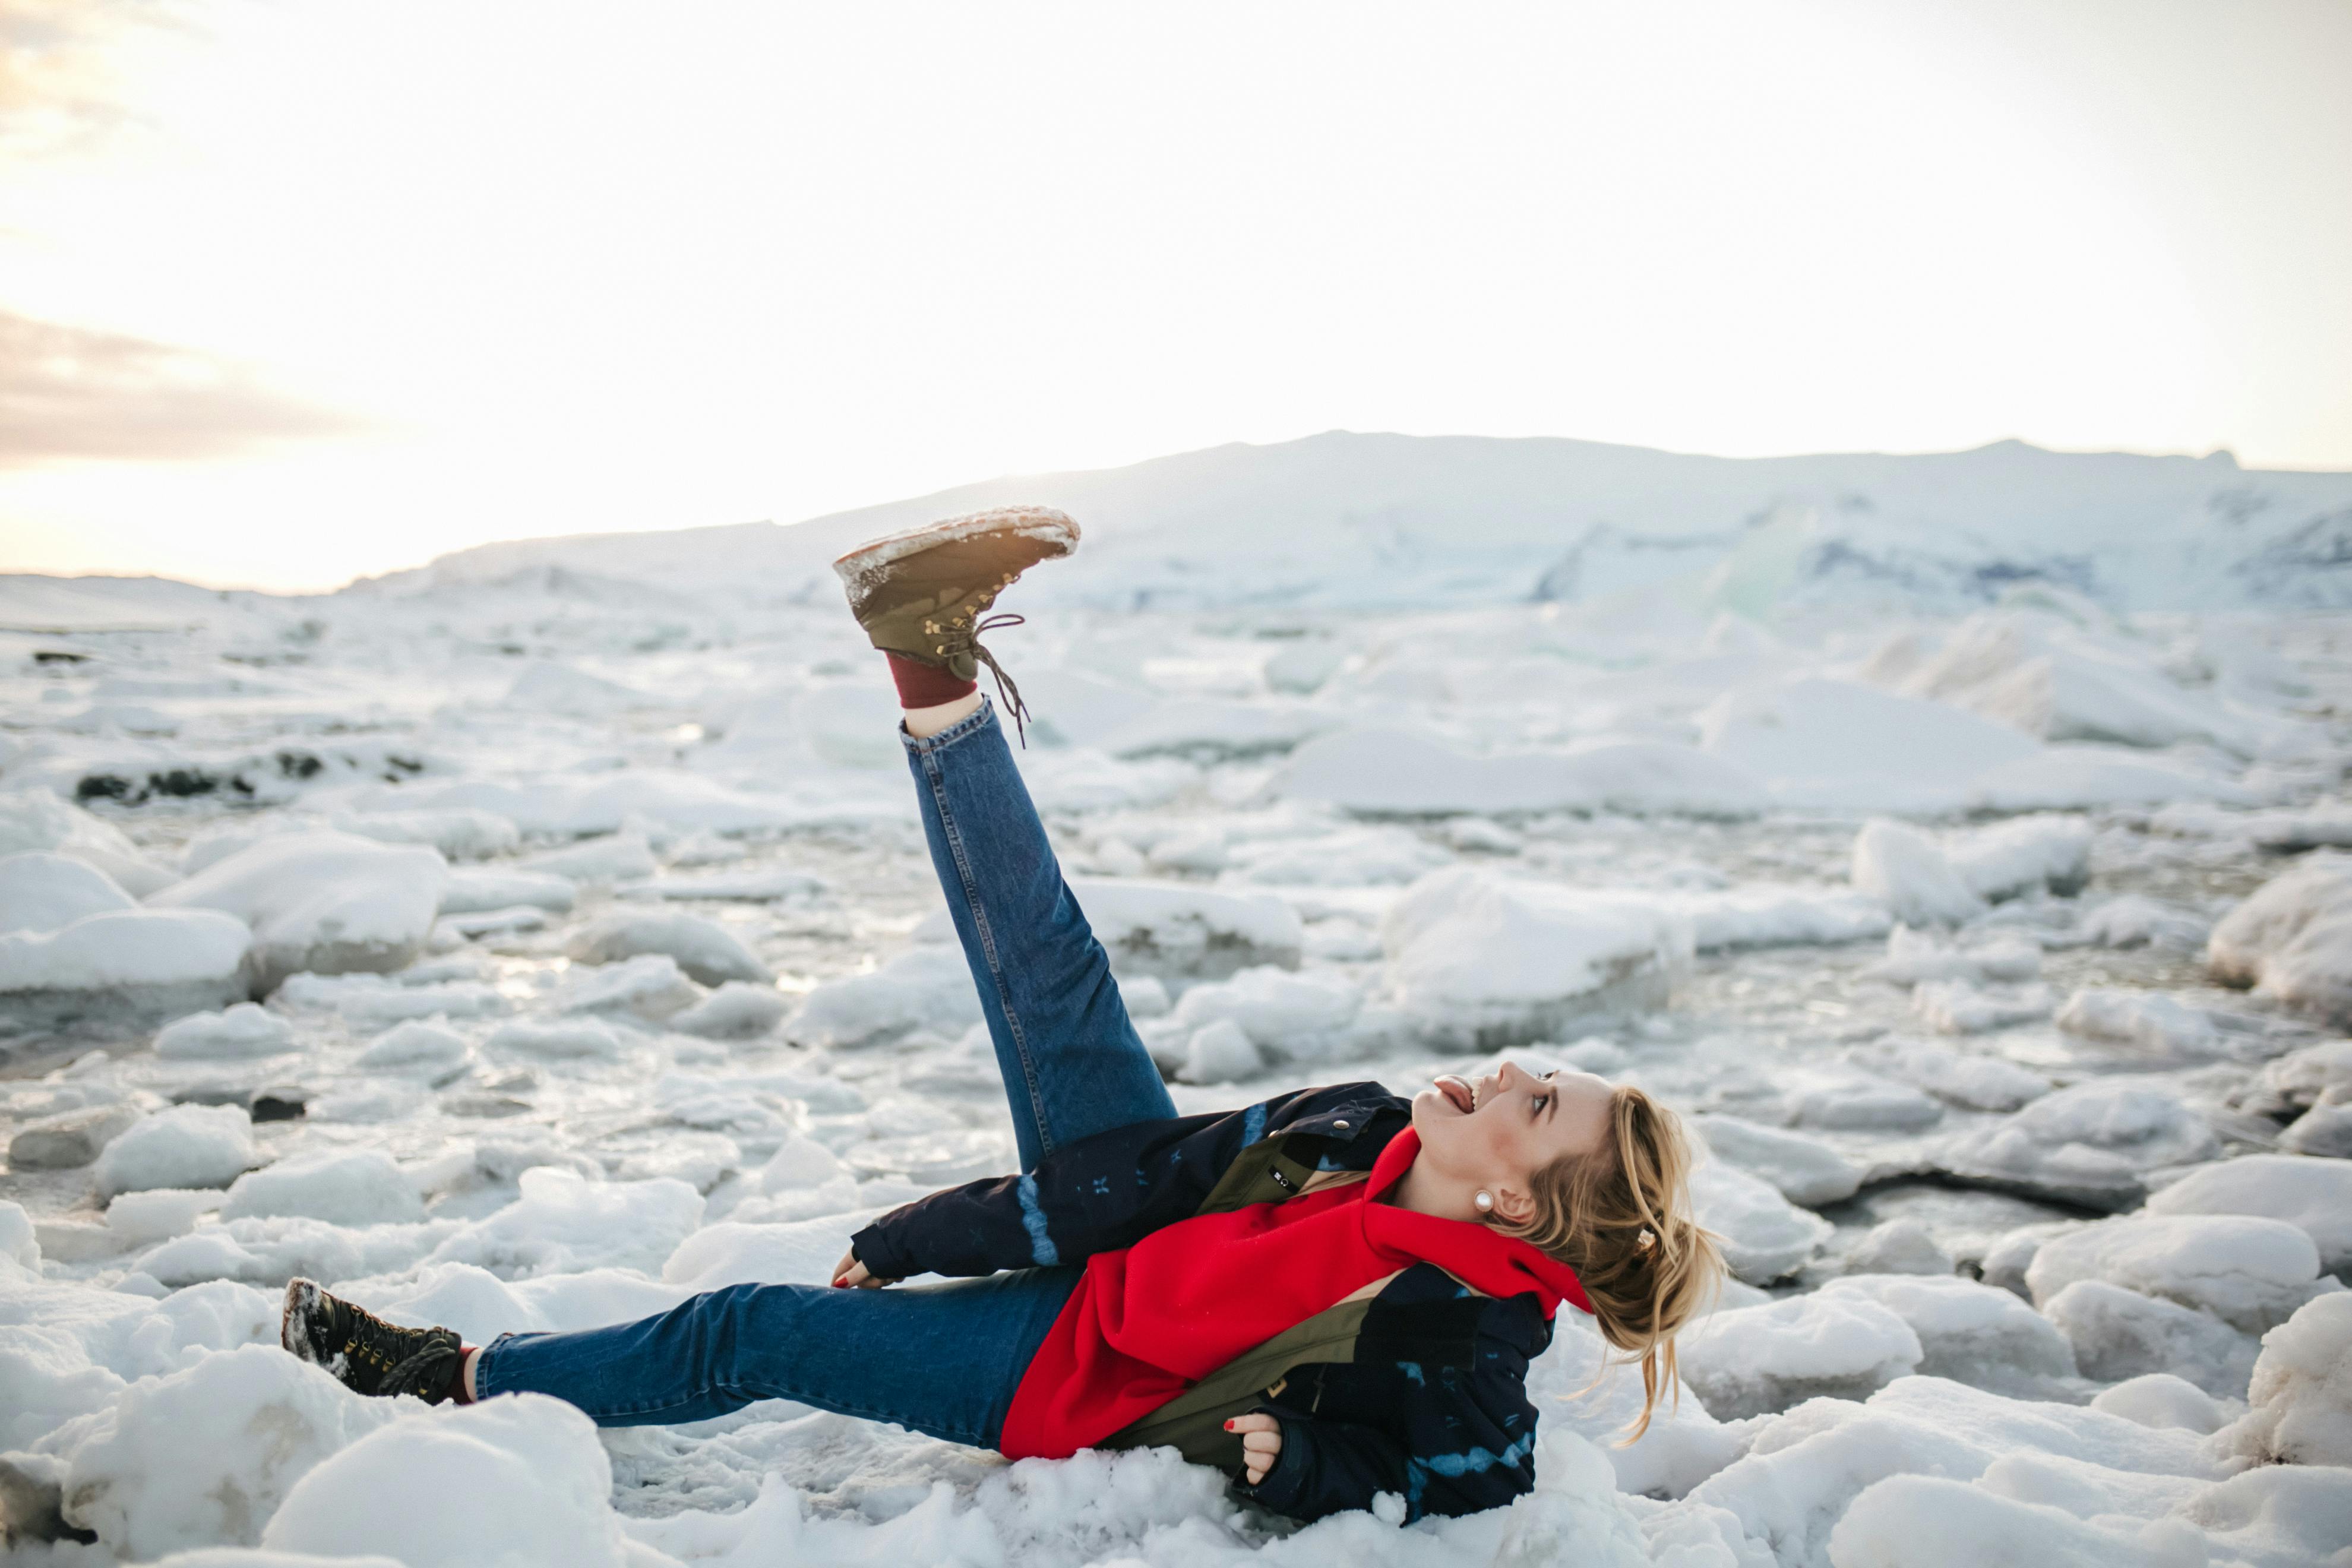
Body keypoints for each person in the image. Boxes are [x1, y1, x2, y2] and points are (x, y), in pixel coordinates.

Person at [280, 505, 1723, 1523]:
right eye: (1543, 1073)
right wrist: (931, 1231)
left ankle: (452, 1380)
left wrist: (1308, 1463)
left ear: (1524, 1215)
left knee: (749, 1328)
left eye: (1542, 1106)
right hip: (1124, 1241)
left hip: (1062, 1376)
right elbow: (1146, 1175)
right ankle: (923, 647)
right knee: (1052, 971)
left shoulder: (1467, 1339)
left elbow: (1471, 1485)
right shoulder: (1363, 1128)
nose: (1515, 1071)